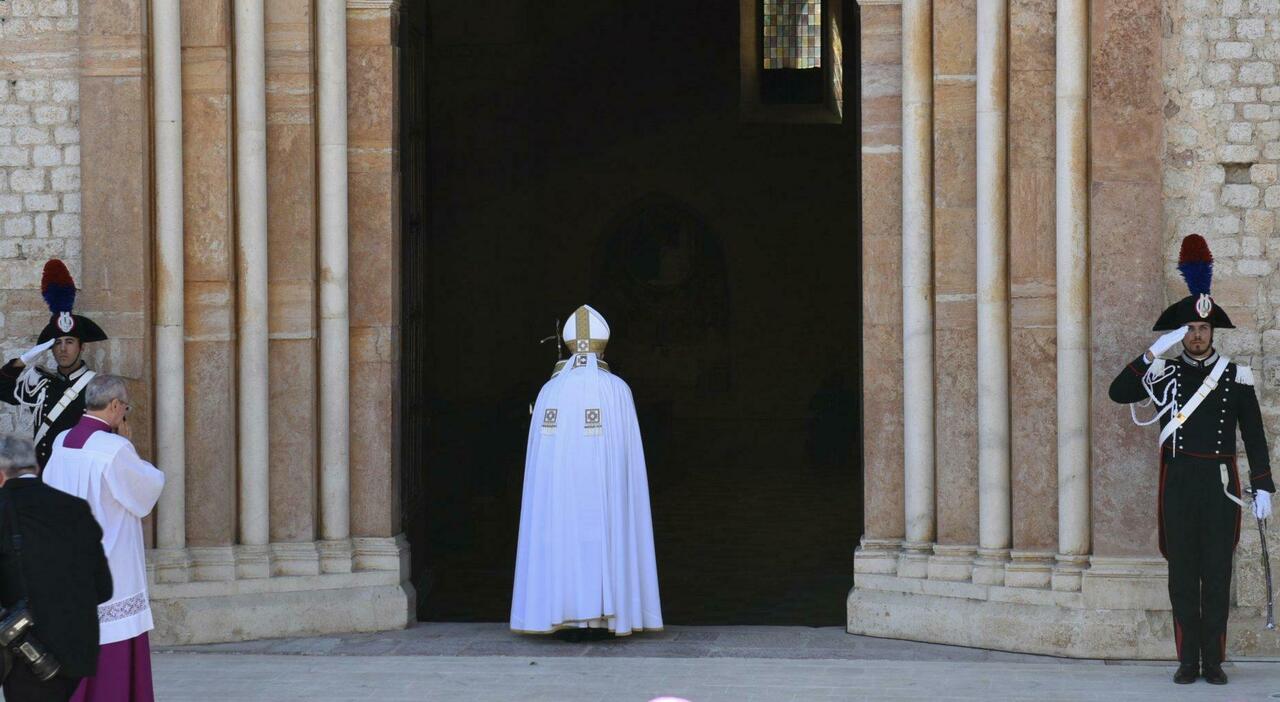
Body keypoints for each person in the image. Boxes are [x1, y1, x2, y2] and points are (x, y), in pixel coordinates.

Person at [1109, 234, 1274, 686]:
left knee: (1217, 574)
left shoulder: (1236, 378)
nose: (1198, 337)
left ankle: (1214, 661)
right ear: (1182, 333)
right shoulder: (1165, 371)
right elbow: (1118, 392)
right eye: (1191, 331)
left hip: (1220, 485)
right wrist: (1153, 352)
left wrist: (1263, 486)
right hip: (1178, 483)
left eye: (1203, 330)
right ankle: (1187, 661)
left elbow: (1254, 435)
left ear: (1212, 332)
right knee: (1183, 574)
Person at [510, 305, 663, 639]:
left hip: (559, 499)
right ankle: (609, 613)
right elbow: (628, 462)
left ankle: (554, 612)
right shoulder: (617, 390)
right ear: (603, 346)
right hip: (603, 499)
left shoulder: (550, 391)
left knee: (558, 535)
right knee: (607, 534)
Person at [42, 376, 164, 702]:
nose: (125, 413)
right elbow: (148, 488)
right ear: (114, 406)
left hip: (70, 560)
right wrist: (130, 446)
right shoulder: (114, 449)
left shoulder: (62, 440)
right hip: (110, 565)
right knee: (113, 643)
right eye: (125, 408)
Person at [0, 434, 112, 702]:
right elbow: (103, 589)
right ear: (36, 468)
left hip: (25, 652)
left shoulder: (4, 508)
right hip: (76, 651)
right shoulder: (76, 508)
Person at [0, 260, 108, 469]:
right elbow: (2, 389)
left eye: (69, 342)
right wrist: (24, 359)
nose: (63, 349)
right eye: (57, 343)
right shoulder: (40, 382)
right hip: (46, 474)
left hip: (79, 476)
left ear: (81, 346)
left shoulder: (97, 386)